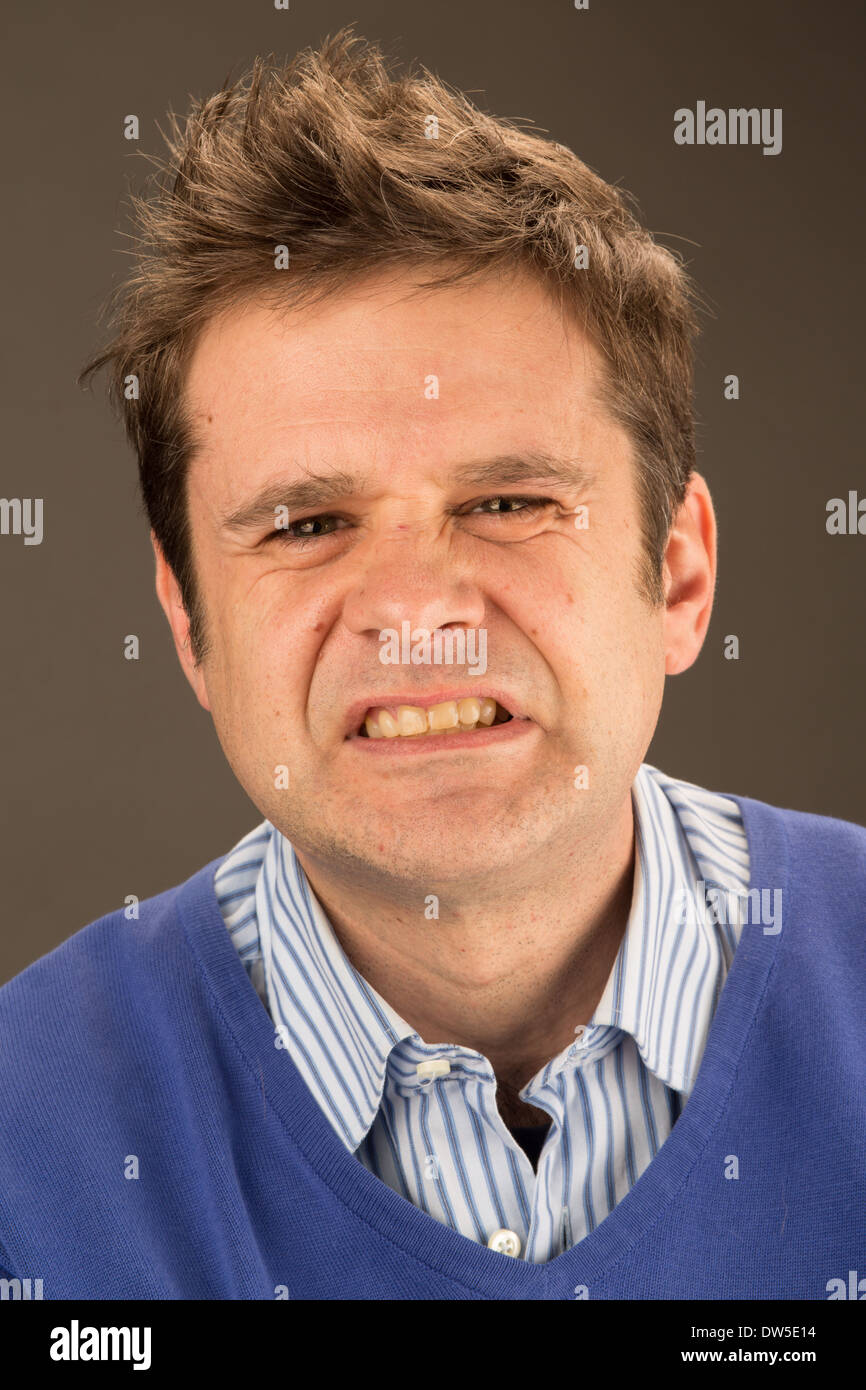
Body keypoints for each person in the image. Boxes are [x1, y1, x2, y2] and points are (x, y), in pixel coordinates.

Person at [0, 27, 862, 1301]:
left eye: (508, 501)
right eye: (305, 524)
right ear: (189, 623)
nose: (413, 614)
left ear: (676, 574)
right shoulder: (28, 1143)